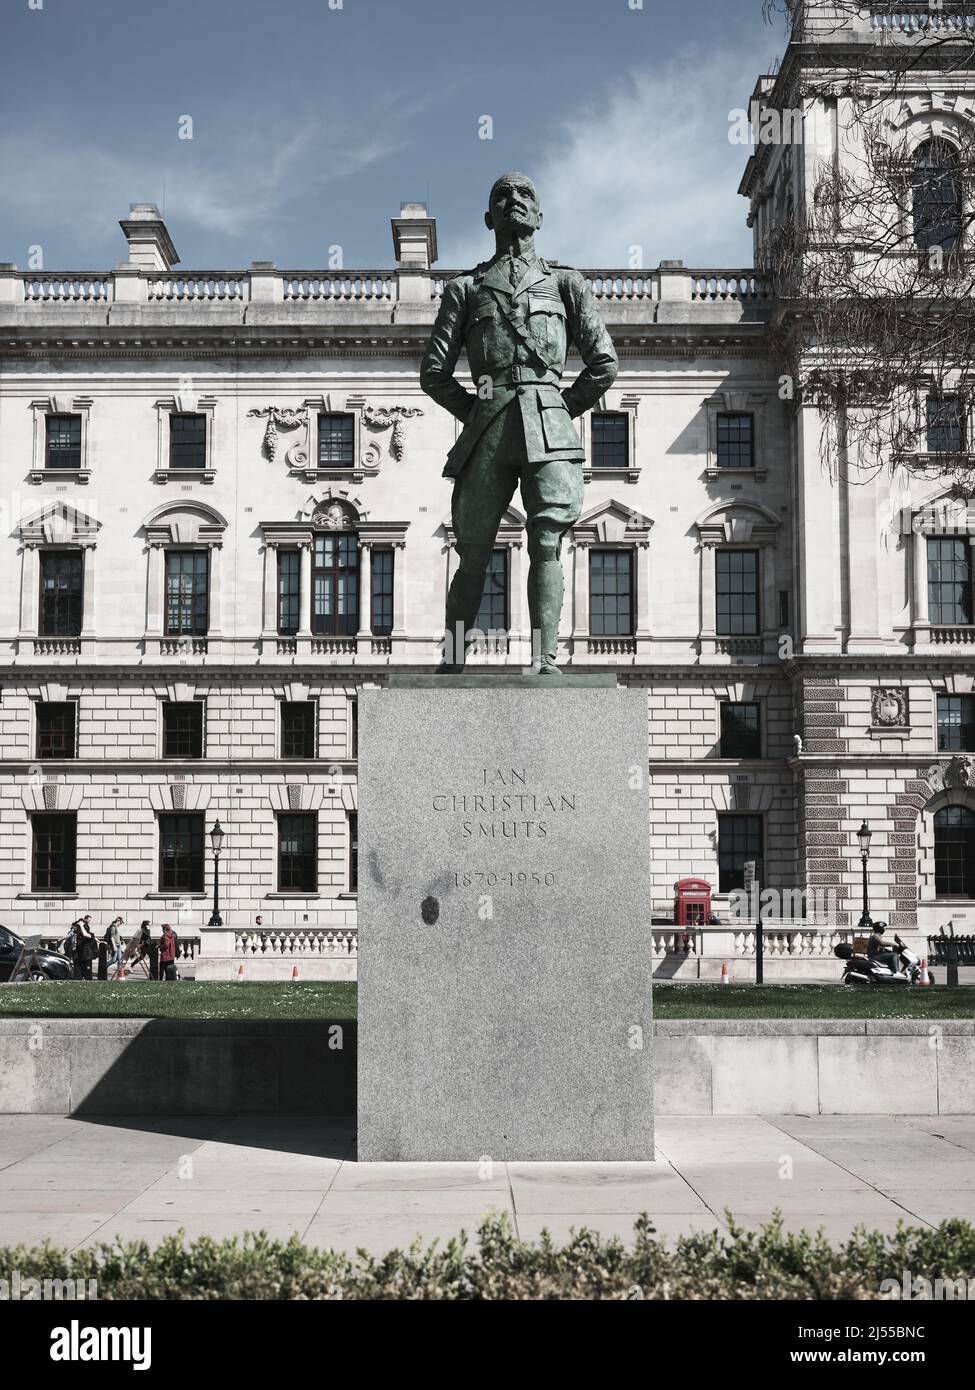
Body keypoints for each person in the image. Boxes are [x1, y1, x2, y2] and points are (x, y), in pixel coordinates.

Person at [421, 172, 618, 675]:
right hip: (488, 428)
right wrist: (477, 410)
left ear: (539, 215)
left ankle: (544, 658)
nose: (514, 201)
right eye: (502, 197)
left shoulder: (566, 283)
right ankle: (452, 659)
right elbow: (434, 373)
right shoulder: (464, 288)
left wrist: (558, 407)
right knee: (472, 549)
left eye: (525, 194)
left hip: (548, 428)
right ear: (490, 218)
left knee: (547, 538)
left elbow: (604, 365)